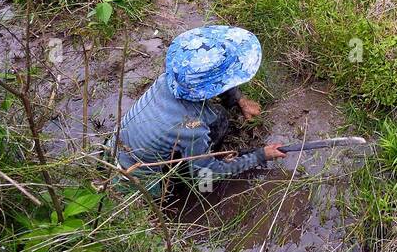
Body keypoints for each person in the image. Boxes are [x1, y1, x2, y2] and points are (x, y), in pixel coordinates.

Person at [111, 25, 285, 194]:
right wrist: (259, 156)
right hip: (137, 181)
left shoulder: (167, 80)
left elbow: (213, 81)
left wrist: (239, 100)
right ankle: (204, 195)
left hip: (113, 151)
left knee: (217, 118)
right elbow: (209, 173)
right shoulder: (193, 128)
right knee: (205, 179)